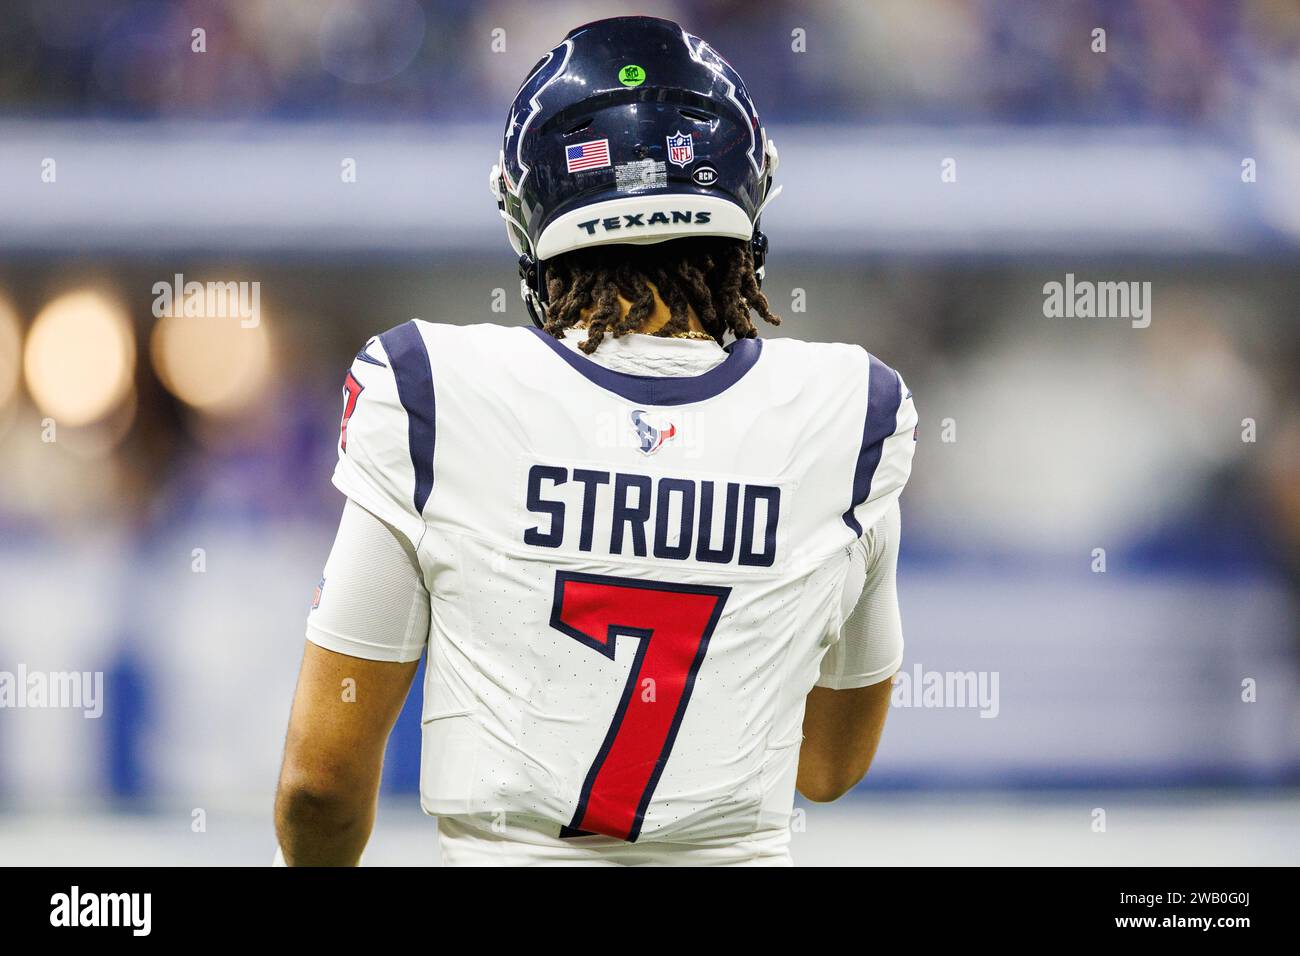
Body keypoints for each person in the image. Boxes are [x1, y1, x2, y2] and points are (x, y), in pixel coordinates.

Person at [274, 14, 918, 866]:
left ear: (526, 211)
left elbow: (321, 781)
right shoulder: (851, 410)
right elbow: (829, 765)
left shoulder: (438, 389)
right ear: (749, 199)